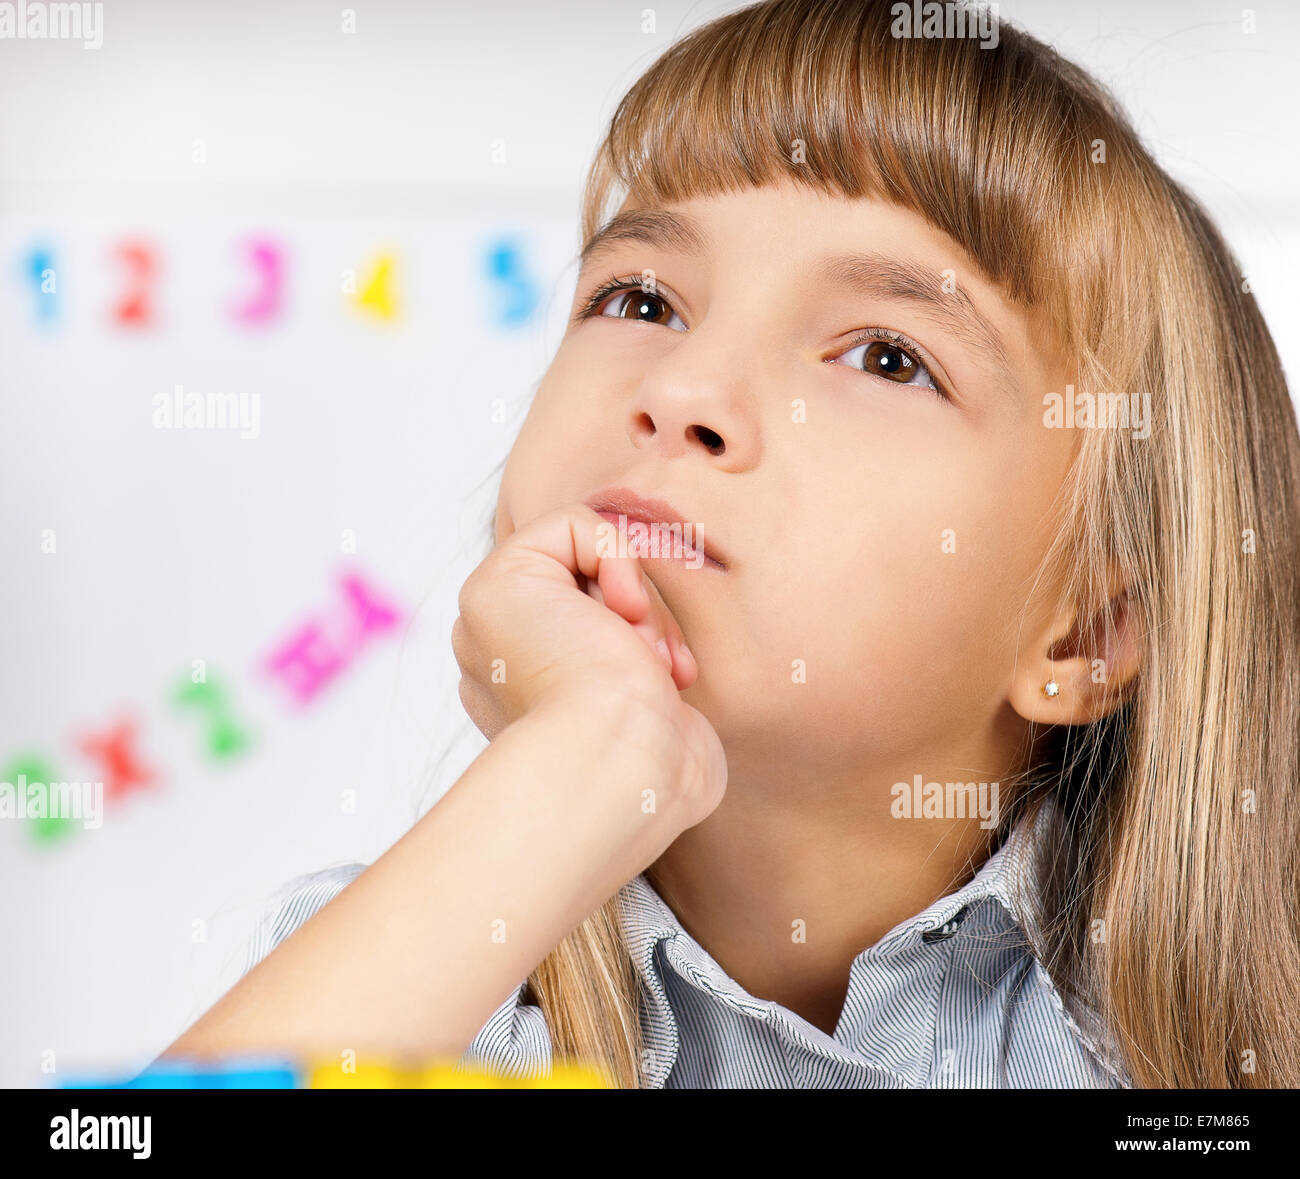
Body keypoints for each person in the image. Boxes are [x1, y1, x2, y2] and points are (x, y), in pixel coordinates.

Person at [163, 0, 1300, 1088]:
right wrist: (589, 755)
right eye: (641, 299)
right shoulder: (405, 975)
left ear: (1086, 631)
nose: (681, 387)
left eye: (887, 357)